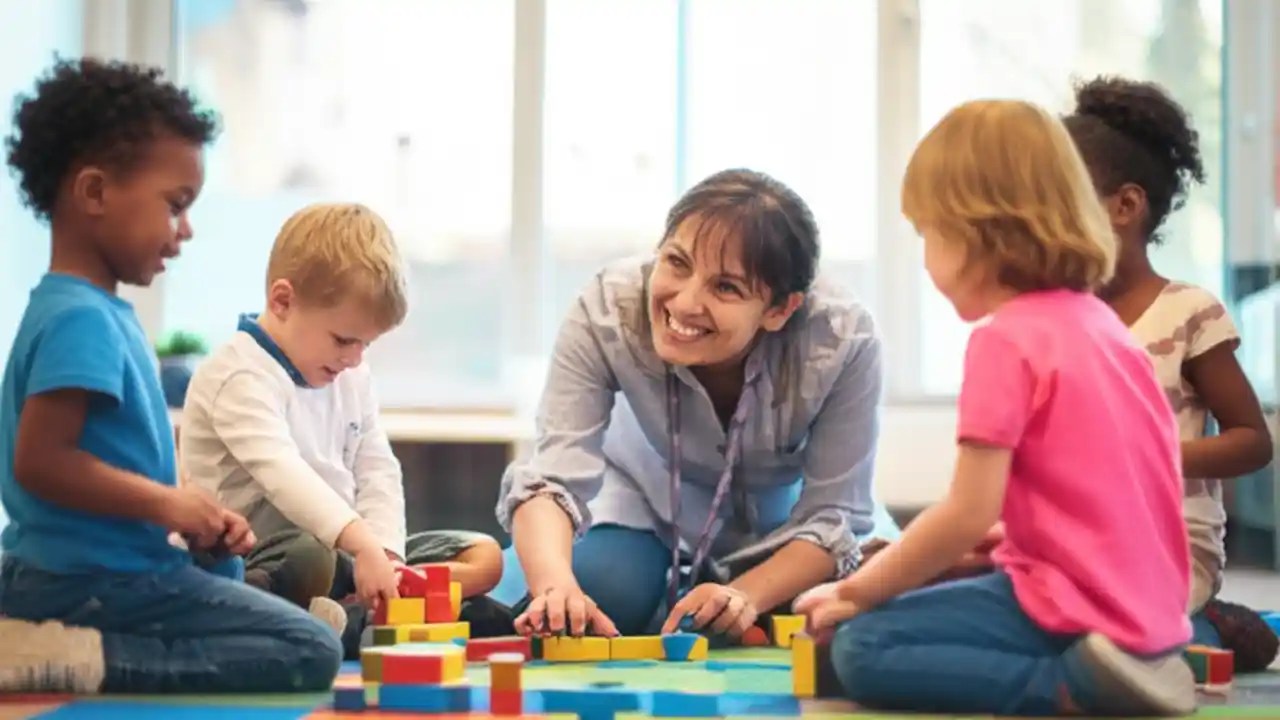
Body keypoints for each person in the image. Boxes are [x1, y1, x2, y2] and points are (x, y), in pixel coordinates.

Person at [796, 99, 1197, 717]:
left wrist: (856, 590)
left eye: (928, 234)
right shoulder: (1103, 326)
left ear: (977, 231)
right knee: (945, 590)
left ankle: (1067, 689)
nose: (926, 259)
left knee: (862, 645)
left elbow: (963, 512)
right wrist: (1012, 534)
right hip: (1148, 609)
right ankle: (1124, 667)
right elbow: (1121, 487)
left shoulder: (1004, 340)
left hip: (1073, 607)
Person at [0, 57, 341, 693]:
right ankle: (78, 656)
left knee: (236, 578)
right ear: (95, 193)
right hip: (95, 580)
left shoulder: (85, 309)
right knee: (310, 649)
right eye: (175, 205)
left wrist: (193, 513)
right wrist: (170, 503)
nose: (184, 230)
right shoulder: (83, 318)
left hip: (85, 570)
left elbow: (103, 456)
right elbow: (42, 461)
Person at [491, 168, 899, 640]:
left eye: (726, 287)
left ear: (780, 309)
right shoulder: (607, 308)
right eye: (677, 263)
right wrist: (554, 587)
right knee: (603, 590)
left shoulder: (844, 339)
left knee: (845, 613)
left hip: (781, 514)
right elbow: (552, 475)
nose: (684, 304)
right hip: (640, 490)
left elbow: (834, 514)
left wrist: (743, 596)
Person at [180, 202, 505, 660]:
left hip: (351, 559)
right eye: (344, 340)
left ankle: (367, 616)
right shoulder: (238, 375)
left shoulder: (349, 373)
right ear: (282, 301)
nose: (354, 358)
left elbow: (377, 469)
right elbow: (284, 474)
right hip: (267, 558)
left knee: (484, 553)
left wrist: (387, 556)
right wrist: (361, 544)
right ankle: (311, 623)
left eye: (366, 344)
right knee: (311, 556)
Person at [1064, 75, 1278, 673]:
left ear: (1125, 208)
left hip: (1169, 546)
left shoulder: (1188, 312)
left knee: (1105, 649)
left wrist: (1153, 455)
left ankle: (1213, 624)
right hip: (1075, 538)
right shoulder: (1057, 315)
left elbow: (1252, 443)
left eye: (1060, 205)